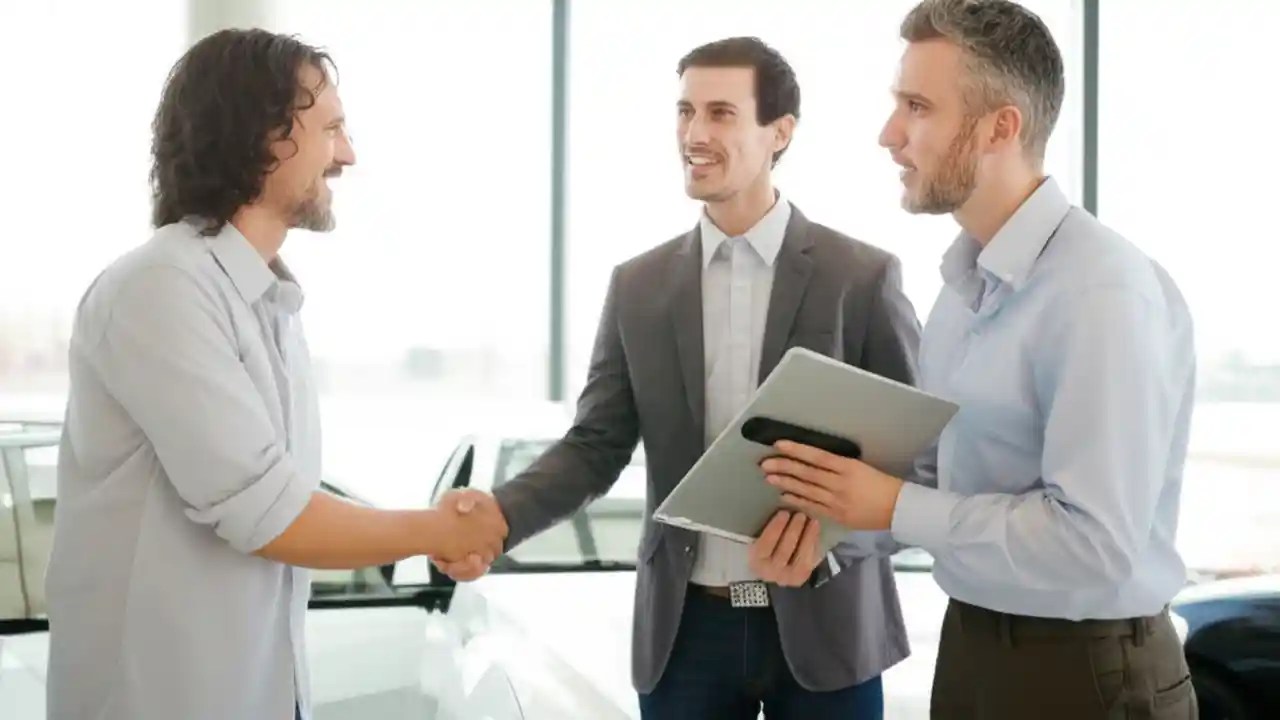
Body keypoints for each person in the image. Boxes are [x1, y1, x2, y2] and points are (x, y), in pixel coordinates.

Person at [434, 36, 921, 719]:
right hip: (687, 634)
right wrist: (500, 516)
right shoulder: (639, 287)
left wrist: (836, 542)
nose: (694, 133)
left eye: (721, 113)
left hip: (828, 628)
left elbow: (919, 463)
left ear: (780, 131)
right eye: (684, 111)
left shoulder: (861, 278)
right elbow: (595, 445)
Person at [44, 29, 506, 720]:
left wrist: (428, 531)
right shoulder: (162, 287)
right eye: (332, 129)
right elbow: (270, 515)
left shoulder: (269, 306)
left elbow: (285, 505)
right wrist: (433, 531)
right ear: (263, 135)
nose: (347, 154)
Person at [762, 1, 1198, 718]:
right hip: (972, 650)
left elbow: (1095, 545)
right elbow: (936, 489)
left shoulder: (1102, 291)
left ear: (1002, 126)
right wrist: (830, 525)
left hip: (1088, 674)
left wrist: (891, 503)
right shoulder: (962, 291)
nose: (889, 134)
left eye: (917, 107)